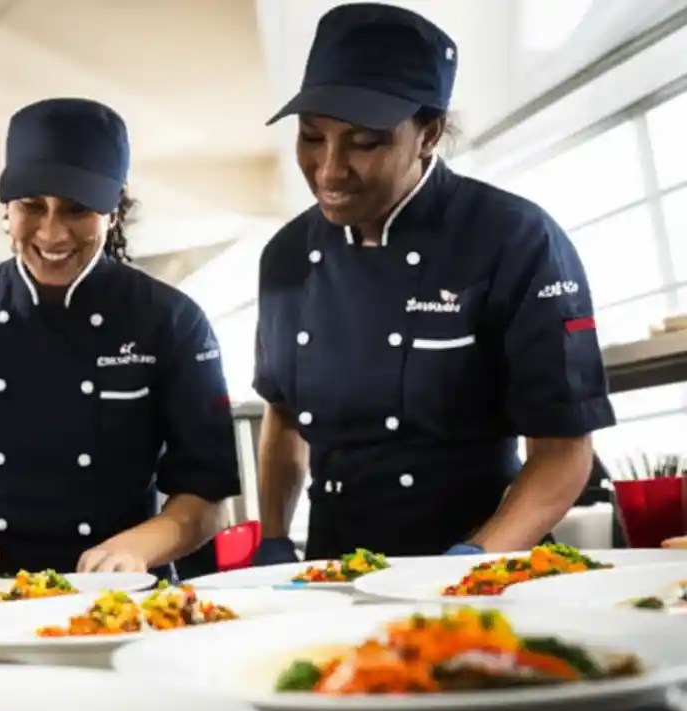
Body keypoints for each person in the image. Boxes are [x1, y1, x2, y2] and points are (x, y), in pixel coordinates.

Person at [251, 3, 615, 564]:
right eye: (311, 138)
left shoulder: (514, 239)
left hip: (488, 561)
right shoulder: (285, 257)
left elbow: (564, 451)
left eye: (363, 143)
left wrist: (472, 561)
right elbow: (282, 413)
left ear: (429, 133)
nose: (329, 170)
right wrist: (273, 535)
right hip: (332, 569)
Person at [0, 98, 239, 579]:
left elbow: (207, 498)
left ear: (113, 212)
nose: (52, 232)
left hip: (125, 592)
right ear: (7, 206)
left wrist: (135, 549)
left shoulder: (170, 320)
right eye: (32, 206)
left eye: (77, 210)